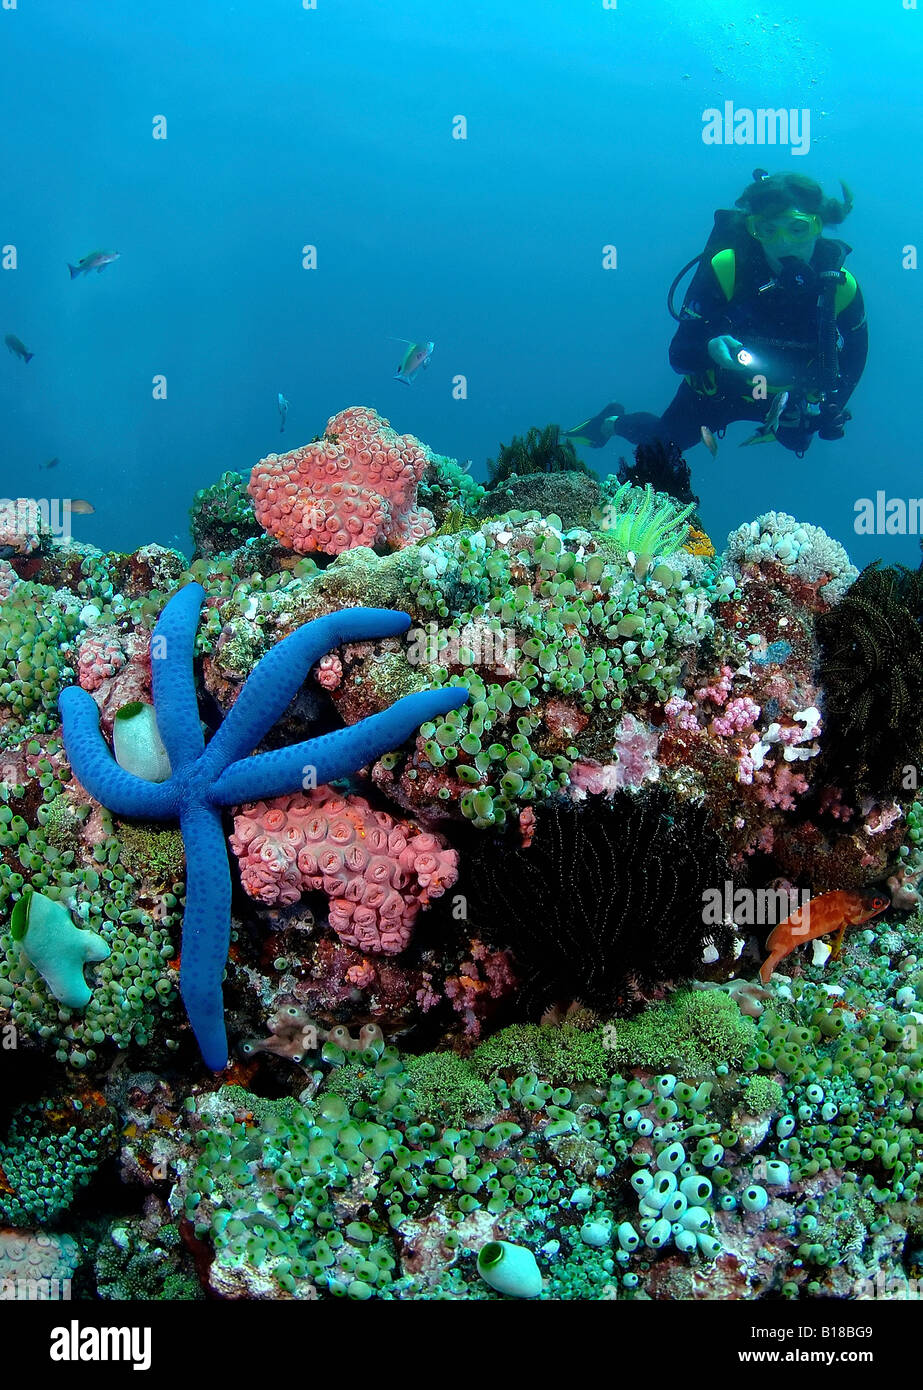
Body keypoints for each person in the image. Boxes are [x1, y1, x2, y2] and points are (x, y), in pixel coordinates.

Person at [566, 172, 868, 459]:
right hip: (718, 391)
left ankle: (779, 428)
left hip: (784, 398)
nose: (784, 242)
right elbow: (679, 355)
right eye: (767, 229)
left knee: (798, 440)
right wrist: (709, 347)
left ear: (819, 226)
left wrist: (833, 407)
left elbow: (856, 354)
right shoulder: (728, 268)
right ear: (753, 230)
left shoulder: (840, 288)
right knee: (662, 447)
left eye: (798, 228)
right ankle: (609, 423)